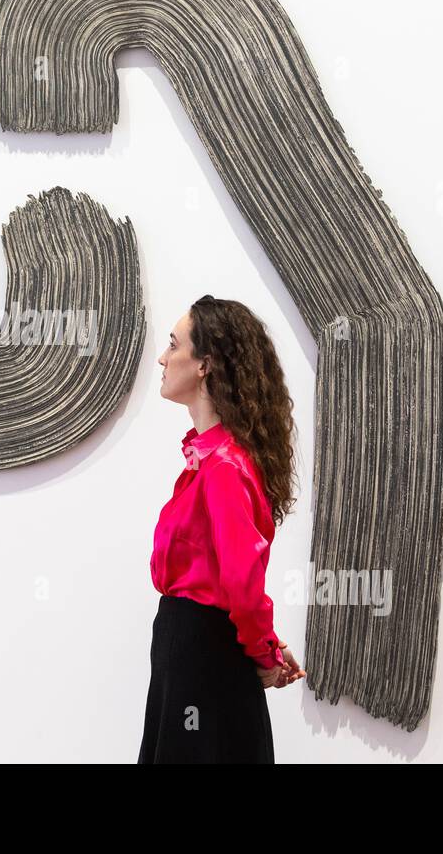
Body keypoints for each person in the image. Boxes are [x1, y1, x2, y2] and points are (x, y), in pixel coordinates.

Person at [138, 294, 306, 763]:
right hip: (190, 649)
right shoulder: (210, 459)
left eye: (174, 345)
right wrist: (264, 648)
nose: (162, 357)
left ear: (205, 365)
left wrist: (265, 654)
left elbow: (241, 583)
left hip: (200, 656)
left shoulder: (224, 467)